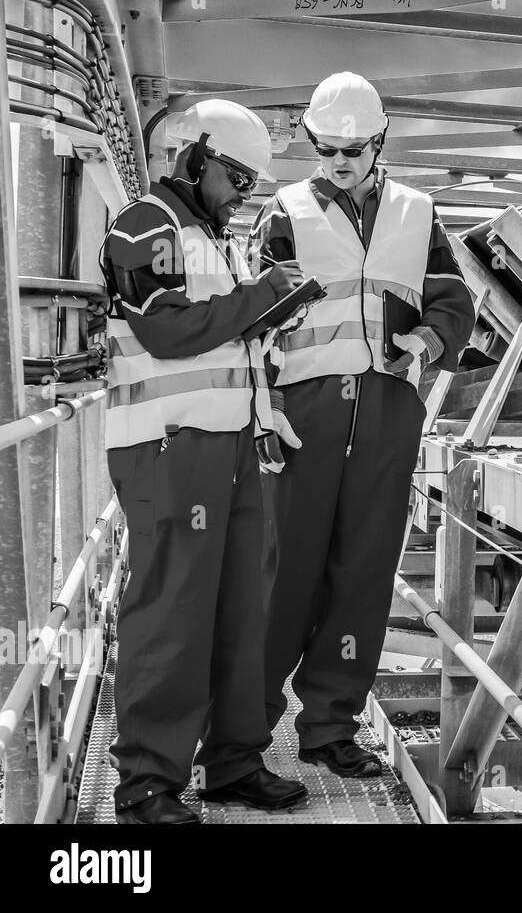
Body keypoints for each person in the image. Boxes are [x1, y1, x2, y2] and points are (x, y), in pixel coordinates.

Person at [250, 72, 475, 777]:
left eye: (354, 147)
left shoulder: (418, 211)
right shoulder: (283, 212)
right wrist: (261, 410)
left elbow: (454, 297)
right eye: (327, 148)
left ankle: (329, 727)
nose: (340, 159)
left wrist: (431, 340)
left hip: (386, 413)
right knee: (282, 573)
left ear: (381, 140)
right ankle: (240, 734)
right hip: (303, 415)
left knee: (364, 573)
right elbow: (248, 324)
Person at [100, 99, 310, 823]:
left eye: (250, 181)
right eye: (235, 175)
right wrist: (259, 300)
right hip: (170, 446)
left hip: (230, 447)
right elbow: (164, 330)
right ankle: (149, 785)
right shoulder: (143, 224)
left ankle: (233, 761)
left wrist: (267, 317)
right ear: (194, 155)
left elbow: (225, 338)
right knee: (175, 610)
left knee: (243, 606)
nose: (242, 192)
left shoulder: (213, 238)